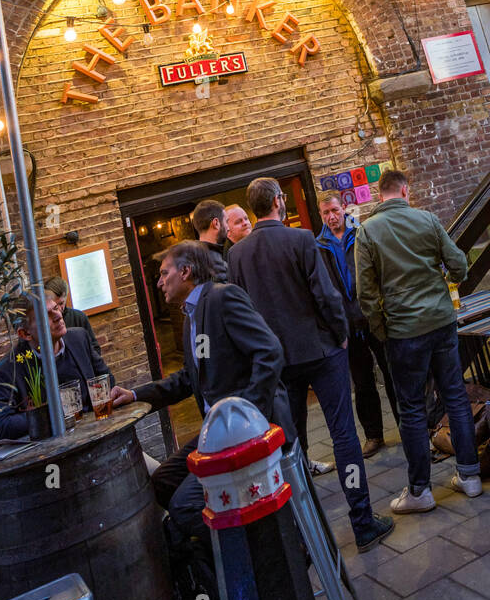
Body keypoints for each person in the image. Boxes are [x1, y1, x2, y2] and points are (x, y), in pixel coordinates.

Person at [227, 176, 394, 553]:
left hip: (276, 363)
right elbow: (325, 295)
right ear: (279, 201)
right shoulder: (301, 239)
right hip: (319, 352)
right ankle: (363, 523)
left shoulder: (236, 255)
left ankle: (308, 538)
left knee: (291, 446)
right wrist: (340, 334)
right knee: (344, 436)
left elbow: (242, 313)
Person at [111, 240, 291, 542]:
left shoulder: (223, 298)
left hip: (248, 430)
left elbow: (270, 352)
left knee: (185, 507)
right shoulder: (191, 316)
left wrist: (246, 416)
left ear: (185, 271)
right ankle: (230, 545)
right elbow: (186, 379)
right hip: (217, 432)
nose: (158, 282)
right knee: (162, 482)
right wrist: (135, 395)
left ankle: (256, 551)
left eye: (164, 273)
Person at [355, 168, 482, 512]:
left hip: (403, 331)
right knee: (455, 397)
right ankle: (470, 476)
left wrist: (382, 330)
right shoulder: (426, 219)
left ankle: (420, 491)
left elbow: (365, 295)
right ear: (405, 191)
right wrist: (446, 283)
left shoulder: (367, 232)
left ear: (381, 195)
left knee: (411, 408)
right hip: (441, 322)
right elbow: (459, 265)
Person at [317, 189, 398, 458]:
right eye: (326, 212)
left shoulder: (362, 234)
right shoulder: (318, 247)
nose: (331, 216)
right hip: (347, 326)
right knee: (363, 384)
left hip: (374, 316)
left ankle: (407, 425)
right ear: (321, 214)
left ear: (344, 209)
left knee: (392, 374)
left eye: (335, 210)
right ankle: (374, 435)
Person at [0, 293, 111, 440]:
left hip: (97, 436)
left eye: (56, 308)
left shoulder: (79, 338)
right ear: (25, 333)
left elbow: (107, 381)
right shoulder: (8, 370)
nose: (58, 316)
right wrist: (52, 413)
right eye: (46, 316)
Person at [44, 276, 104, 361]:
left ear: (66, 297)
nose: (59, 309)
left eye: (61, 303)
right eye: (55, 305)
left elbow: (94, 349)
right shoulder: (45, 322)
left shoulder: (79, 317)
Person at [189, 199, 228, 282]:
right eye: (226, 221)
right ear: (216, 223)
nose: (228, 228)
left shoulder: (191, 260)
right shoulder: (216, 264)